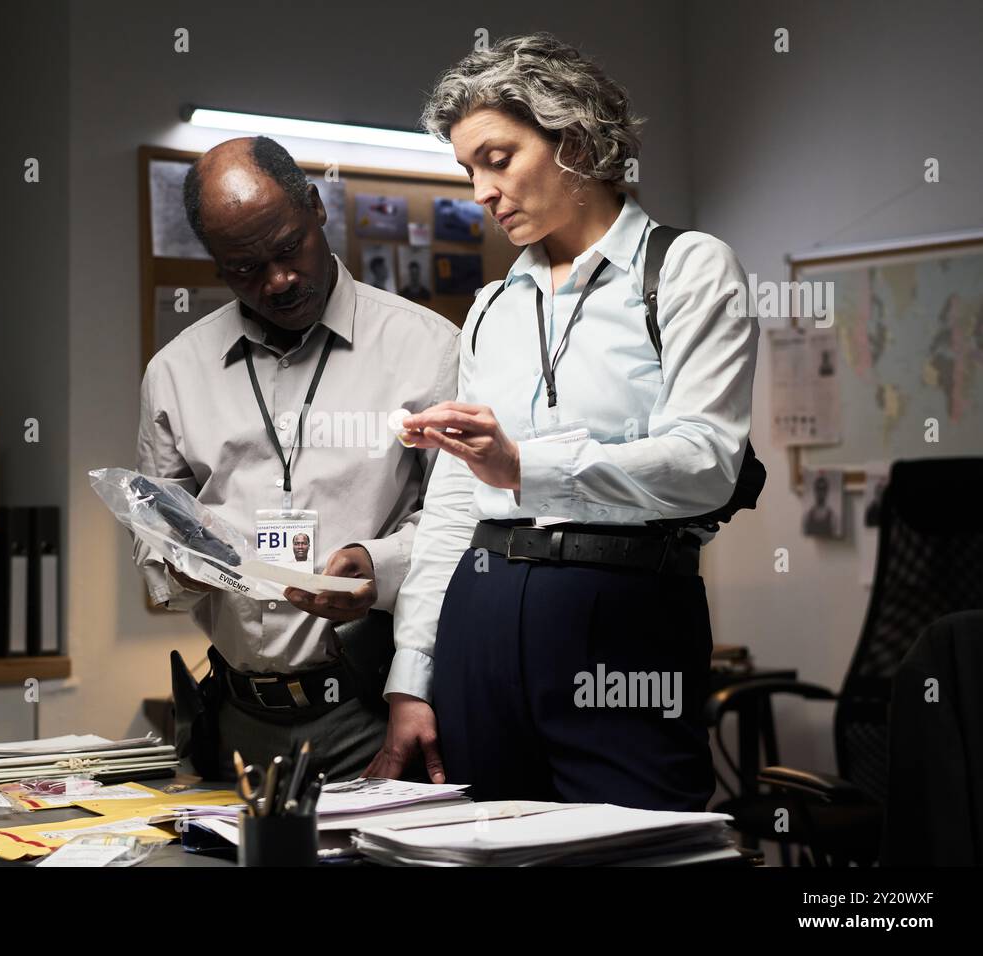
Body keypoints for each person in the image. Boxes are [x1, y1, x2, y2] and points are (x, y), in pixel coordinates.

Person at [366, 33, 759, 810]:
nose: (480, 190)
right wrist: (412, 676)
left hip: (623, 616)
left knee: (639, 850)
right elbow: (451, 505)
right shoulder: (490, 309)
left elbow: (706, 461)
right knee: (478, 848)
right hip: (481, 615)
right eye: (467, 170)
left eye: (498, 158)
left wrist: (525, 468)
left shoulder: (687, 270)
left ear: (575, 139)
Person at [135, 136, 459, 781]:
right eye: (244, 268)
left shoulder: (429, 350)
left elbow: (465, 524)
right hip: (233, 716)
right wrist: (183, 565)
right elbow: (152, 541)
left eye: (288, 249)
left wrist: (378, 564)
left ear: (316, 208)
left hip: (371, 707)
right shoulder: (174, 372)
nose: (278, 281)